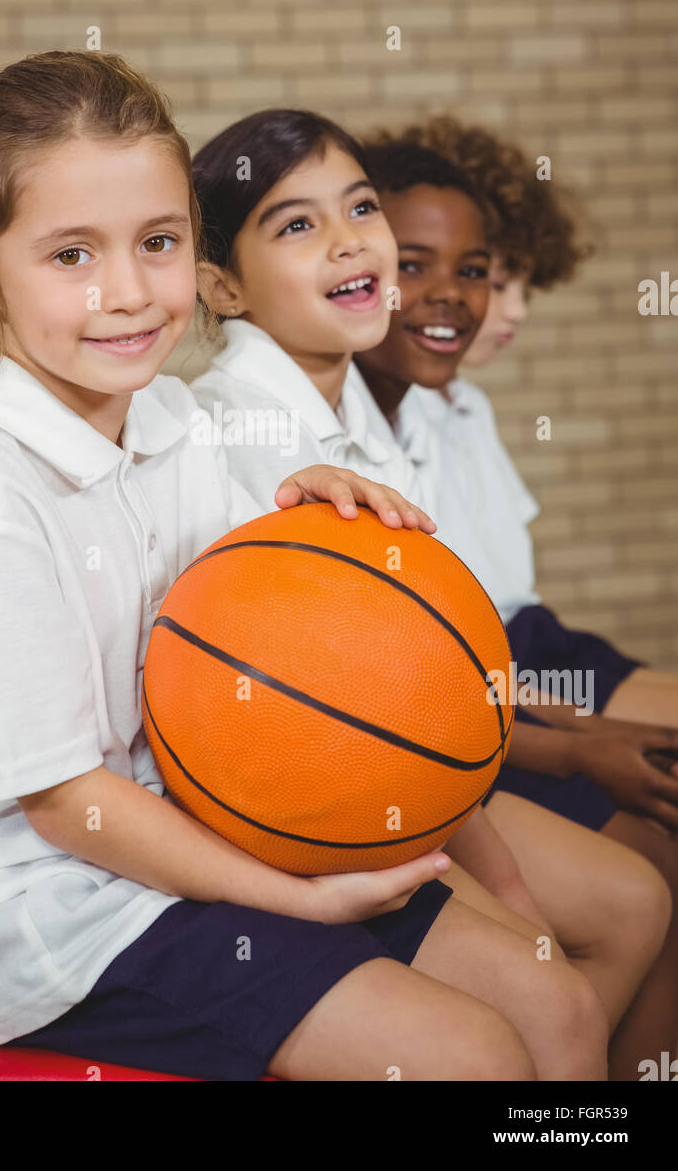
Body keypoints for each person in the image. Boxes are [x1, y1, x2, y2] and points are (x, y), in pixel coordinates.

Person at [0, 49, 621, 1083]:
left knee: (558, 1005)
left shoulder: (172, 423)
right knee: (469, 1054)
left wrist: (325, 515)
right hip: (68, 916)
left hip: (220, 819)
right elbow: (63, 802)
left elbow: (293, 646)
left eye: (158, 241)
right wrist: (303, 898)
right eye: (70, 255)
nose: (126, 292)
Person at [184, 106, 670, 1079]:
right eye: (295, 224)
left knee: (623, 910)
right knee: (563, 989)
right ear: (222, 285)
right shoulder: (229, 435)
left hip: (402, 756)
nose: (346, 238)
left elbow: (437, 660)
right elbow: (340, 710)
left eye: (356, 207)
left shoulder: (361, 412)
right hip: (315, 794)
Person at [351, 133, 678, 1074]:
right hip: (459, 686)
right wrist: (581, 743)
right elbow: (420, 670)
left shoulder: (434, 405)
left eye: (484, 274)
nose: (489, 306)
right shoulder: (309, 419)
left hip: (504, 652)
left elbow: (502, 617)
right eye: (413, 266)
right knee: (642, 859)